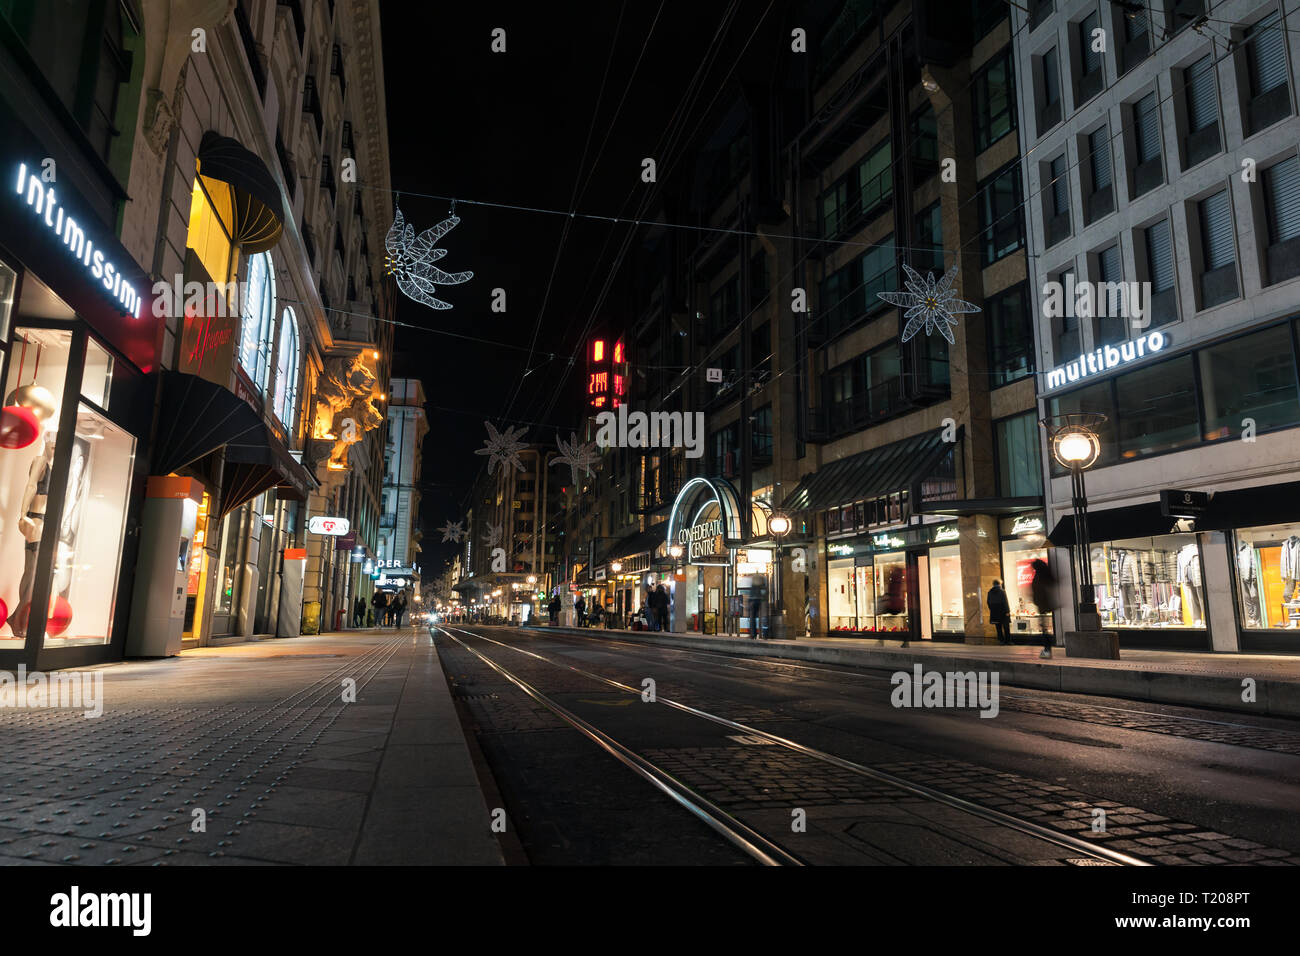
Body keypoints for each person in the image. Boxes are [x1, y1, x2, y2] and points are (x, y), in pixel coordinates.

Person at [1030, 558, 1057, 658]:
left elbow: (1038, 591)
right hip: (1047, 605)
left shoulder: (1039, 576)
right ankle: (1047, 649)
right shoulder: (1046, 574)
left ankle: (1047, 650)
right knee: (1045, 629)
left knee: (1045, 630)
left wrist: (1037, 600)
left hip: (1043, 606)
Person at [987, 579, 1011, 645]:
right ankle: (1007, 641)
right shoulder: (1002, 591)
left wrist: (992, 609)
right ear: (1000, 584)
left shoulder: (990, 592)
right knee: (1006, 627)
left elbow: (988, 602)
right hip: (1003, 612)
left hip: (994, 612)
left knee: (998, 627)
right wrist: (1007, 611)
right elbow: (1005, 602)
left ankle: (1001, 641)